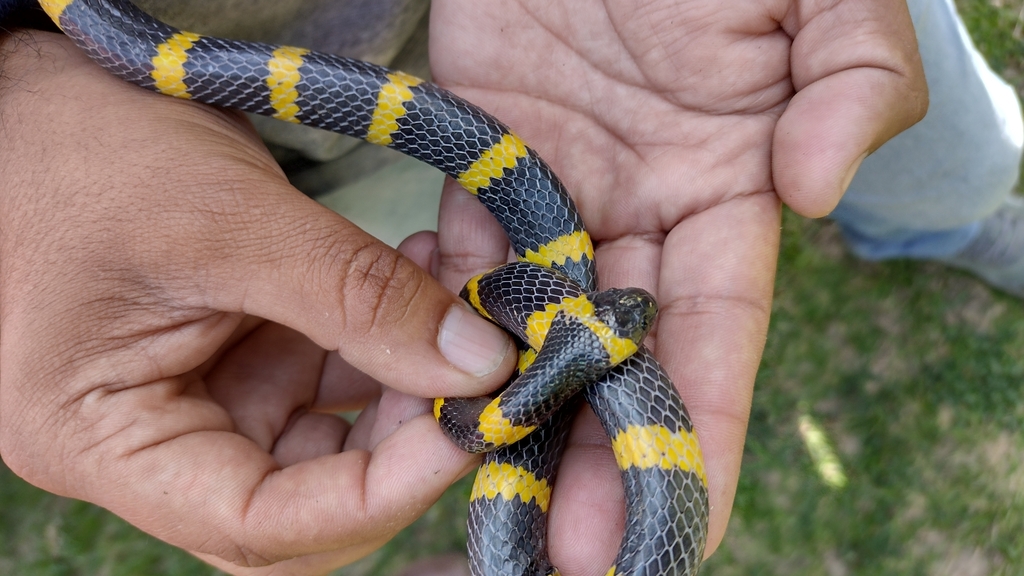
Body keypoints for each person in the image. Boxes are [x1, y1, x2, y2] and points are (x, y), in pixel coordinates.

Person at [0, 0, 1008, 574]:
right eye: (615, 332)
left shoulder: (535, 322)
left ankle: (960, 217)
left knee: (944, 165)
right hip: (235, 140)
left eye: (608, 329)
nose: (626, 316)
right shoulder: (537, 311)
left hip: (605, 41)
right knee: (457, 245)